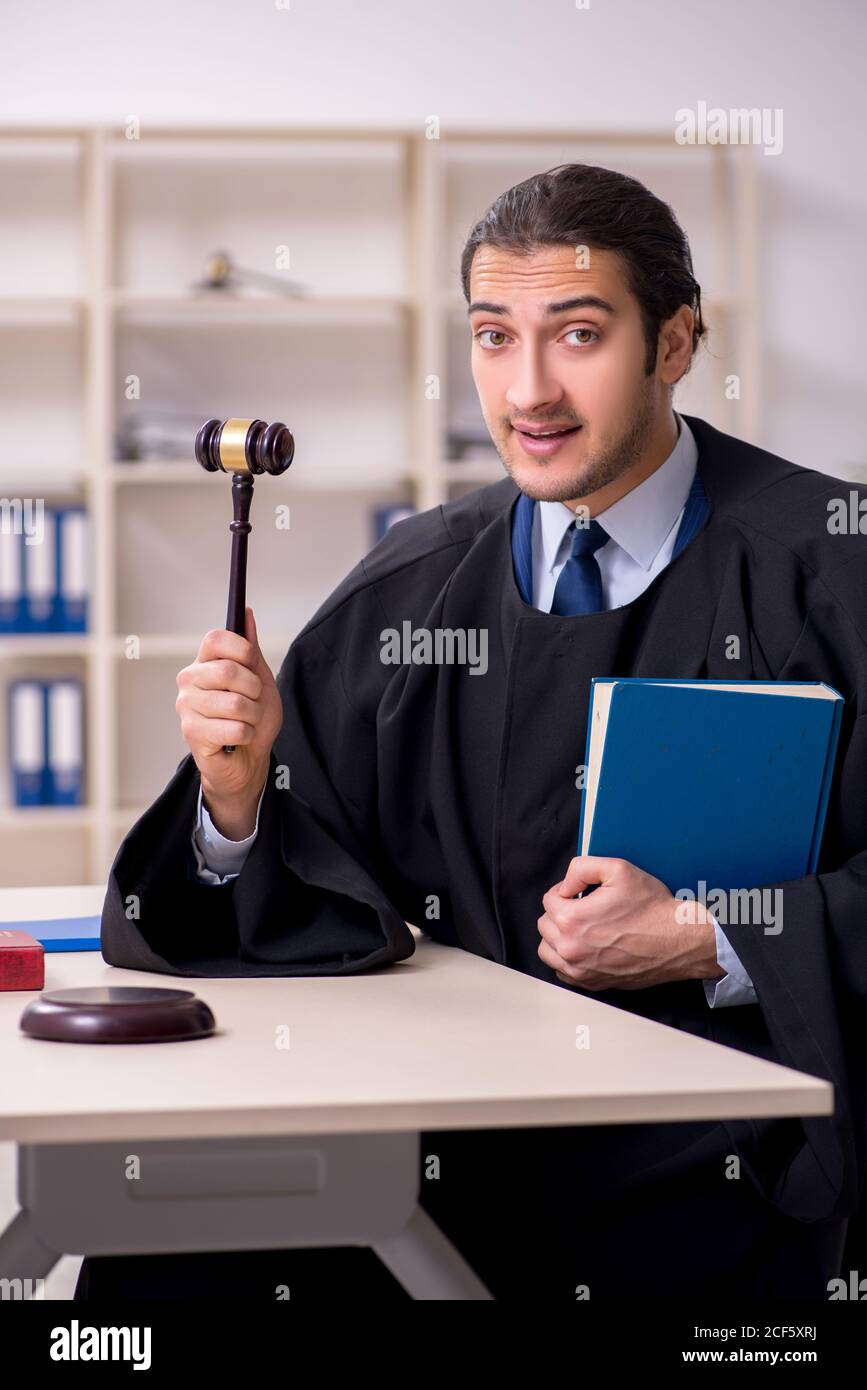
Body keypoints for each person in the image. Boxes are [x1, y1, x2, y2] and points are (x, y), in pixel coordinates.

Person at [77, 163, 866, 1302]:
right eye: (494, 338)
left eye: (579, 334)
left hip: (710, 1165)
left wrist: (714, 937)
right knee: (159, 1265)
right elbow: (299, 894)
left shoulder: (824, 572)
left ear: (678, 342)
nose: (528, 390)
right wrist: (237, 808)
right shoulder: (408, 590)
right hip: (431, 1148)